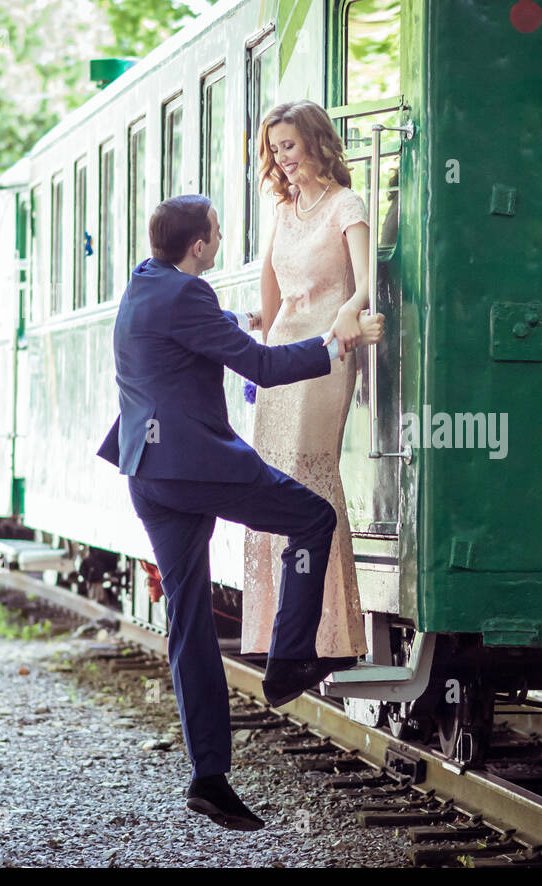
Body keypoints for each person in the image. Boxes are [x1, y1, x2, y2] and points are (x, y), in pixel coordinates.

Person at [94, 194, 383, 831]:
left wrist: (248, 315)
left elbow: (195, 329)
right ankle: (288, 661)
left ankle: (209, 778)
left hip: (148, 471)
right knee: (313, 519)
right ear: (197, 245)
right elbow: (261, 366)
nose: (220, 242)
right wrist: (340, 342)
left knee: (188, 619)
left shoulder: (144, 286)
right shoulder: (187, 297)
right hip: (197, 465)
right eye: (217, 235)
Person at [240, 100, 376, 661]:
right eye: (274, 150)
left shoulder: (347, 204)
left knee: (308, 471)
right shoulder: (284, 209)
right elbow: (270, 284)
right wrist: (260, 339)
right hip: (281, 355)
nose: (282, 159)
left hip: (327, 352)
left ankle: (328, 633)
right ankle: (279, 626)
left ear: (317, 144)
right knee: (271, 474)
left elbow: (367, 281)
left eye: (289, 146)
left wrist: (349, 311)